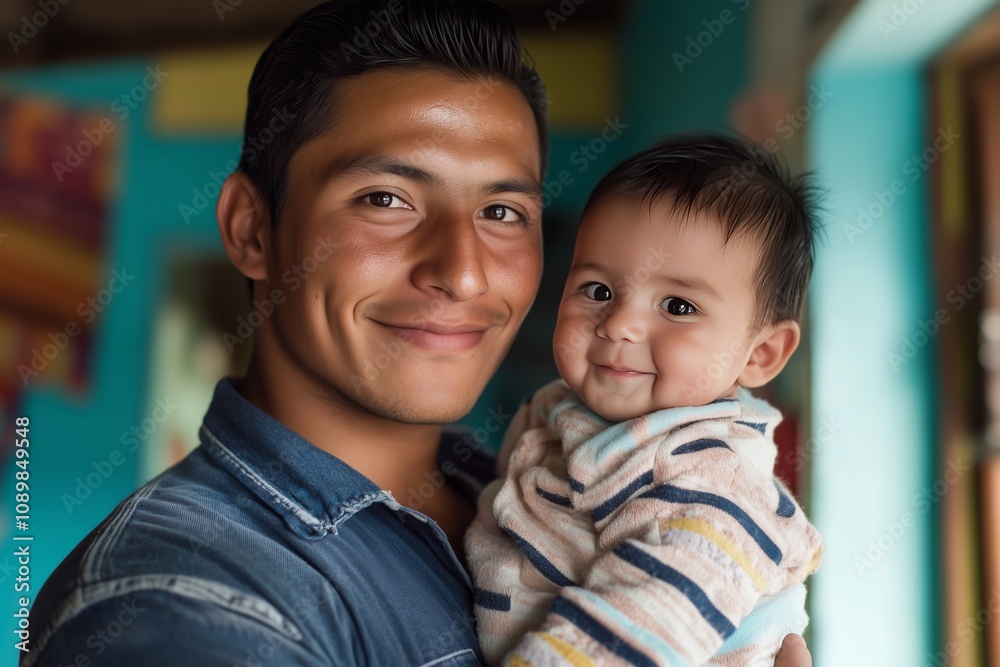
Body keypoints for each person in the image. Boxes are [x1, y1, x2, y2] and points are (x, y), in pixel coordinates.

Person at [25, 2, 812, 665]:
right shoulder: (185, 602)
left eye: (502, 213)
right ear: (252, 228)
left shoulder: (523, 484)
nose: (463, 273)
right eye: (386, 199)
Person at [465, 136, 822, 666]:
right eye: (598, 290)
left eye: (678, 305)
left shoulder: (708, 479)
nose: (620, 324)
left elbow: (646, 624)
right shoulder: (561, 412)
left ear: (761, 353)